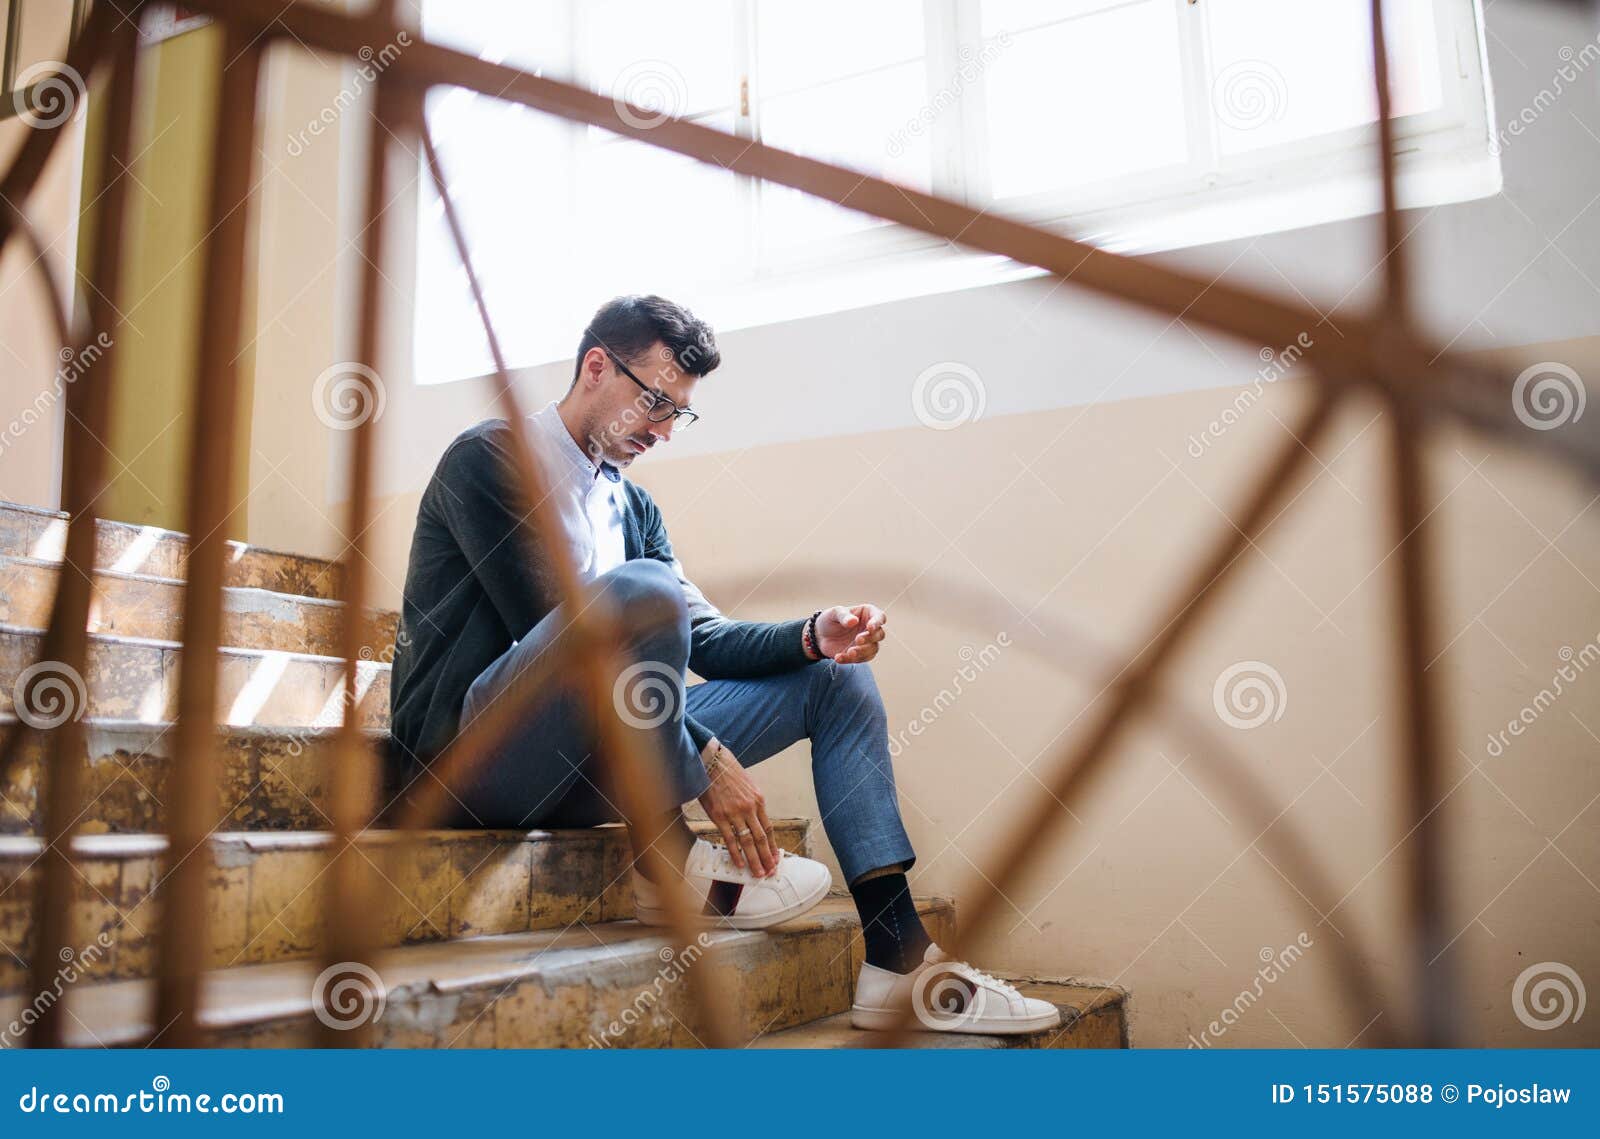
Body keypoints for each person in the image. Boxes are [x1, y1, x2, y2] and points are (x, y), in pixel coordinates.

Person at [389, 294, 1059, 1035]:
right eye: (655, 402)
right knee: (641, 595)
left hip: (597, 755)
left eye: (681, 412)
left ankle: (900, 961)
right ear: (594, 367)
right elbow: (570, 656)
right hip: (475, 757)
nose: (665, 430)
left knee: (835, 681)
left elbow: (703, 636)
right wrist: (703, 755)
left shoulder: (633, 508)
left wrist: (811, 636)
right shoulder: (490, 459)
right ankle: (668, 855)